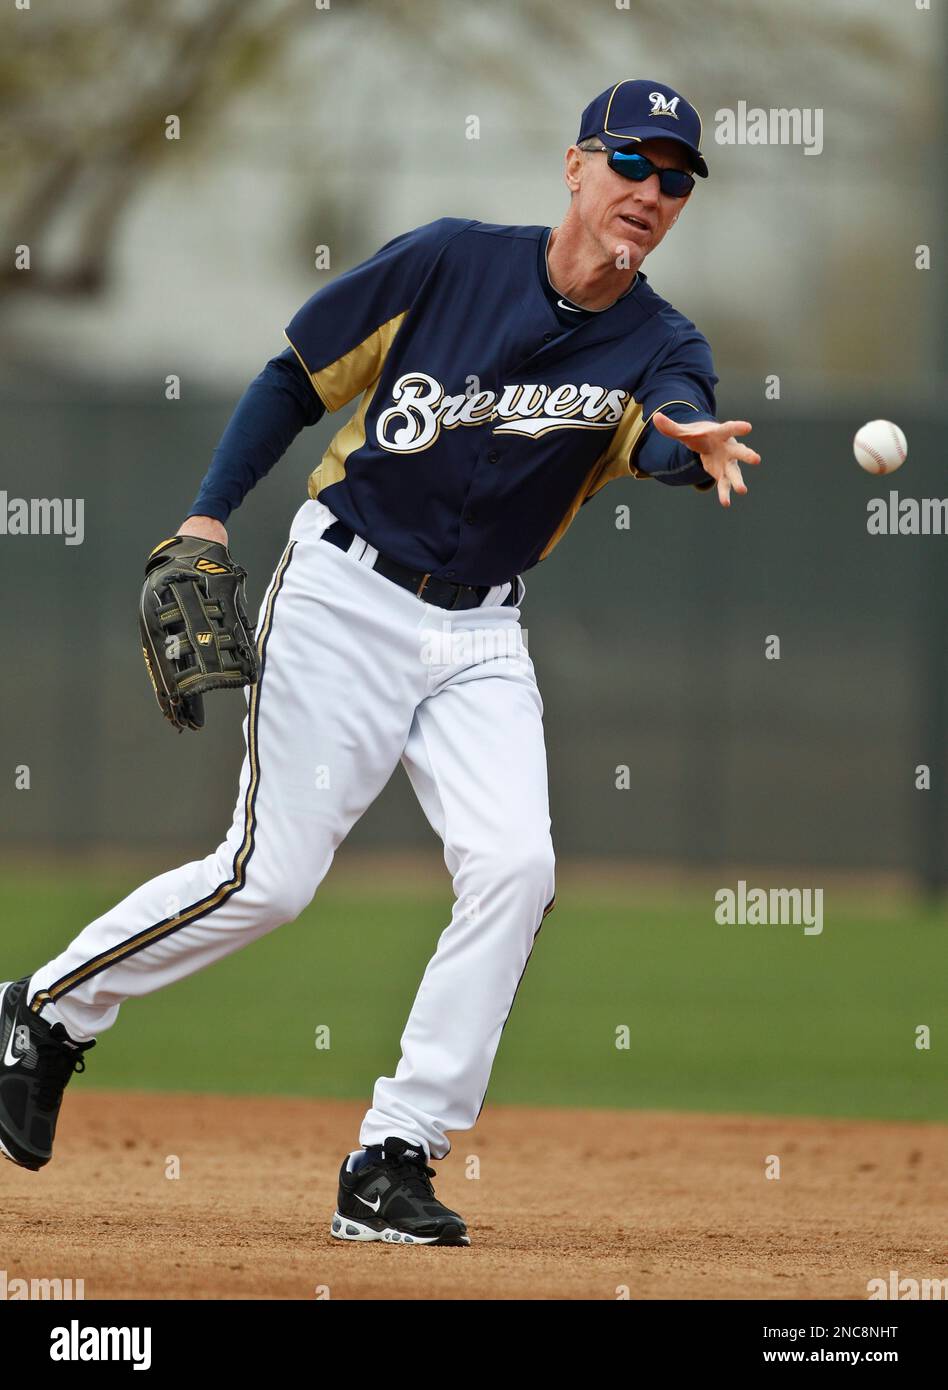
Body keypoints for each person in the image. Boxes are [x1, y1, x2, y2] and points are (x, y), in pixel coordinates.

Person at [0, 80, 759, 1247]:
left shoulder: (662, 344)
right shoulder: (448, 262)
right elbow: (294, 378)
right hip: (344, 593)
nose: (650, 193)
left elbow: (669, 423)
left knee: (515, 866)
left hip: (480, 635)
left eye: (674, 179)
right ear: (573, 166)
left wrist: (681, 442)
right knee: (270, 879)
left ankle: (394, 1154)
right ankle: (44, 1011)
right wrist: (208, 519)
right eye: (631, 163)